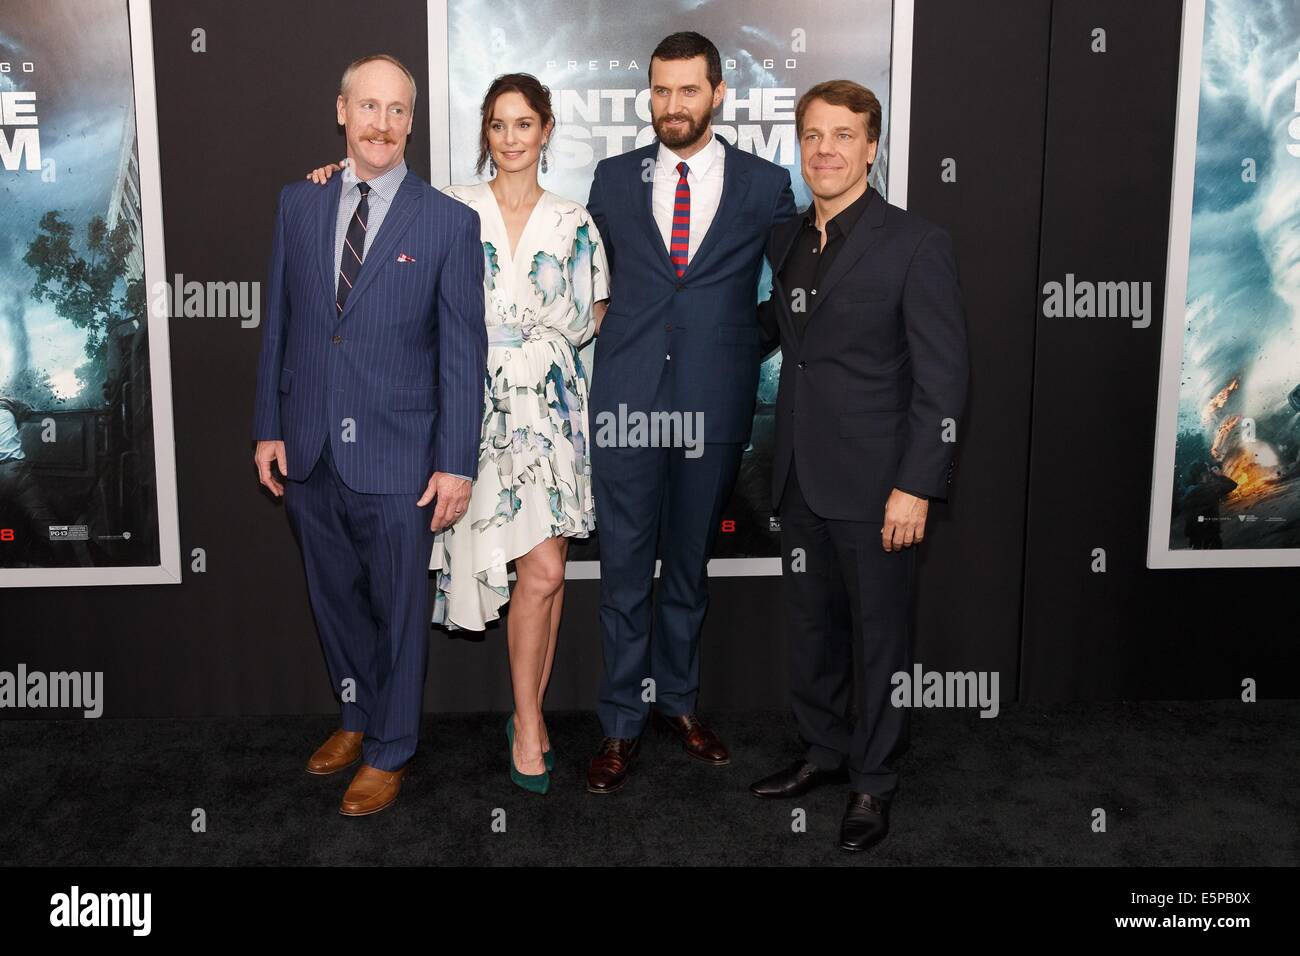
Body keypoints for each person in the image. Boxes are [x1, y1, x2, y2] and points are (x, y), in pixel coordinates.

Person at [309, 74, 610, 796]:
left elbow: (593, 319)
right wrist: (330, 179)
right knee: (463, 570)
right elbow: (369, 207)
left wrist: (543, 371)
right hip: (465, 412)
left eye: (524, 124)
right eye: (498, 125)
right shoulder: (444, 210)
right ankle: (373, 718)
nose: (511, 137)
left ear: (545, 132)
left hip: (547, 415)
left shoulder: (575, 221)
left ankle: (529, 721)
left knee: (545, 570)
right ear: (486, 134)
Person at [251, 54, 487, 817]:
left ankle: (391, 749)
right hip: (309, 445)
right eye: (369, 107)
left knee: (397, 610)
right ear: (342, 112)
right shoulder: (298, 203)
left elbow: (463, 352)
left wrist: (456, 463)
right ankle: (355, 717)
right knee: (335, 603)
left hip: (399, 454)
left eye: (397, 110)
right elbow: (278, 327)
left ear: (411, 121)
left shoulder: (450, 222)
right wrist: (267, 428)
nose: (382, 124)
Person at [749, 80, 969, 851]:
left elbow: (944, 378)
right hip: (800, 477)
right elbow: (777, 345)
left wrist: (916, 484)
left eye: (843, 136)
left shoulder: (915, 242)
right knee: (812, 632)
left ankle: (874, 781)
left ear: (872, 147)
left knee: (879, 639)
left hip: (881, 486)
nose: (826, 150)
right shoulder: (786, 242)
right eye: (812, 135)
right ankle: (822, 751)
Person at [582, 32, 797, 794]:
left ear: (717, 95)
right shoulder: (610, 180)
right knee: (624, 572)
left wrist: (743, 338)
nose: (672, 105)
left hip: (714, 400)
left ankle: (678, 703)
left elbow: (800, 283)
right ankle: (619, 724)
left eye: (687, 90)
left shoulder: (766, 184)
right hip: (627, 404)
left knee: (688, 570)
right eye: (660, 90)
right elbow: (578, 265)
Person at [0, 396, 59, 567]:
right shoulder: (7, 403)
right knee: (47, 525)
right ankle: (67, 565)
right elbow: (27, 410)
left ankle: (7, 560)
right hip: (15, 471)